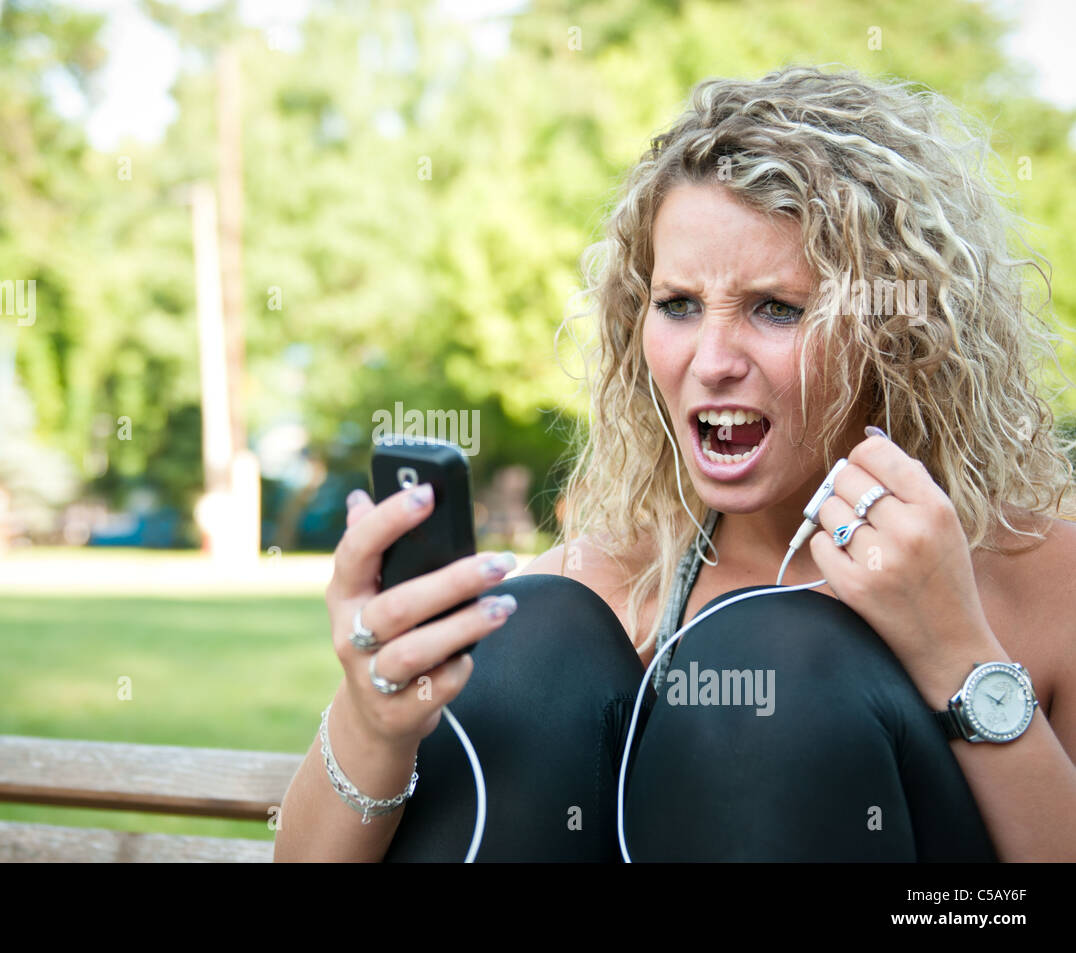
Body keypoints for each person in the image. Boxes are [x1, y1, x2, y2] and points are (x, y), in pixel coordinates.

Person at [273, 64, 1076, 862]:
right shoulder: (615, 579)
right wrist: (371, 715)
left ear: (898, 338)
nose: (713, 359)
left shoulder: (1037, 575)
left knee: (771, 664)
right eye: (680, 306)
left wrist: (957, 655)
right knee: (530, 633)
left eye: (777, 308)